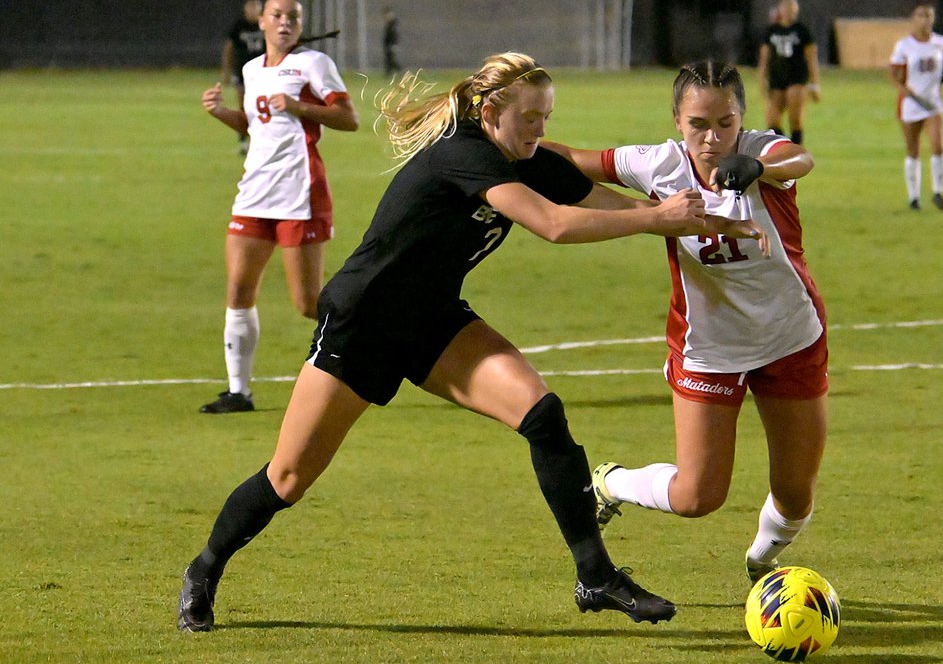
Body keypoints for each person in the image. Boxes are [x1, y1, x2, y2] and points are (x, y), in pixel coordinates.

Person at [177, 51, 711, 633]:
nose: (540, 129)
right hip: (365, 323)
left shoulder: (525, 155)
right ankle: (203, 571)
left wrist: (680, 216)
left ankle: (596, 576)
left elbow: (592, 200)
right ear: (490, 111)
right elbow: (554, 225)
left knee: (543, 415)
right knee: (287, 479)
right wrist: (656, 220)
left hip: (434, 322)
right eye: (530, 116)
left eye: (547, 116)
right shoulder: (467, 155)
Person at [544, 60, 826, 585]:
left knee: (795, 494)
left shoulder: (761, 150)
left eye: (726, 122)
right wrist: (496, 138)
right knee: (697, 497)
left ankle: (762, 563)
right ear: (677, 120)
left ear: (743, 117)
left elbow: (800, 159)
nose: (714, 137)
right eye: (698, 124)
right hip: (708, 347)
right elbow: (576, 159)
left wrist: (758, 168)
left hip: (790, 337)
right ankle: (612, 483)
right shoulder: (658, 165)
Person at [199, 0, 359, 414]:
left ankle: (374, 335)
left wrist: (298, 105)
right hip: (254, 194)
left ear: (300, 25)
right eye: (277, 15)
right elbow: (256, 126)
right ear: (262, 23)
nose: (285, 22)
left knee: (308, 303)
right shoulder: (252, 70)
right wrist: (220, 114)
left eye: (293, 17)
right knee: (238, 289)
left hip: (299, 193)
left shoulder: (313, 64)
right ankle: (239, 392)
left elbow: (348, 119)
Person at [888, 0, 943, 211]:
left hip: (933, 103)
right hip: (911, 104)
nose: (926, 19)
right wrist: (905, 90)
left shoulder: (941, 43)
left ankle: (938, 192)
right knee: (913, 150)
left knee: (938, 146)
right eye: (921, 15)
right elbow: (893, 75)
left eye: (929, 15)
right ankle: (913, 197)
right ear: (913, 19)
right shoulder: (904, 46)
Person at [757, 0, 820, 145]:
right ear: (779, 8)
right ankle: (784, 149)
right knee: (772, 120)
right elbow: (764, 58)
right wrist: (761, 79)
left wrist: (814, 83)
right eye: (786, 6)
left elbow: (811, 58)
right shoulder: (771, 31)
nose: (789, 10)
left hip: (796, 78)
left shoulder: (802, 31)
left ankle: (796, 153)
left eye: (792, 6)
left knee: (795, 120)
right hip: (777, 78)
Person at [221, 0, 265, 155]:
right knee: (244, 107)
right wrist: (226, 70)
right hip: (242, 71)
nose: (253, 11)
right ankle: (243, 143)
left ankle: (262, 142)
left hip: (263, 73)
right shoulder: (239, 25)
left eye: (256, 8)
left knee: (263, 107)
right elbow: (229, 47)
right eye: (250, 8)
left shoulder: (266, 24)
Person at [383, 9, 401, 77]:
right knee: (389, 60)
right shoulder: (389, 25)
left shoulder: (393, 24)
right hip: (388, 45)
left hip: (391, 45)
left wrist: (394, 45)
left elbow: (394, 36)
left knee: (391, 60)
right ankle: (388, 73)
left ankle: (398, 71)